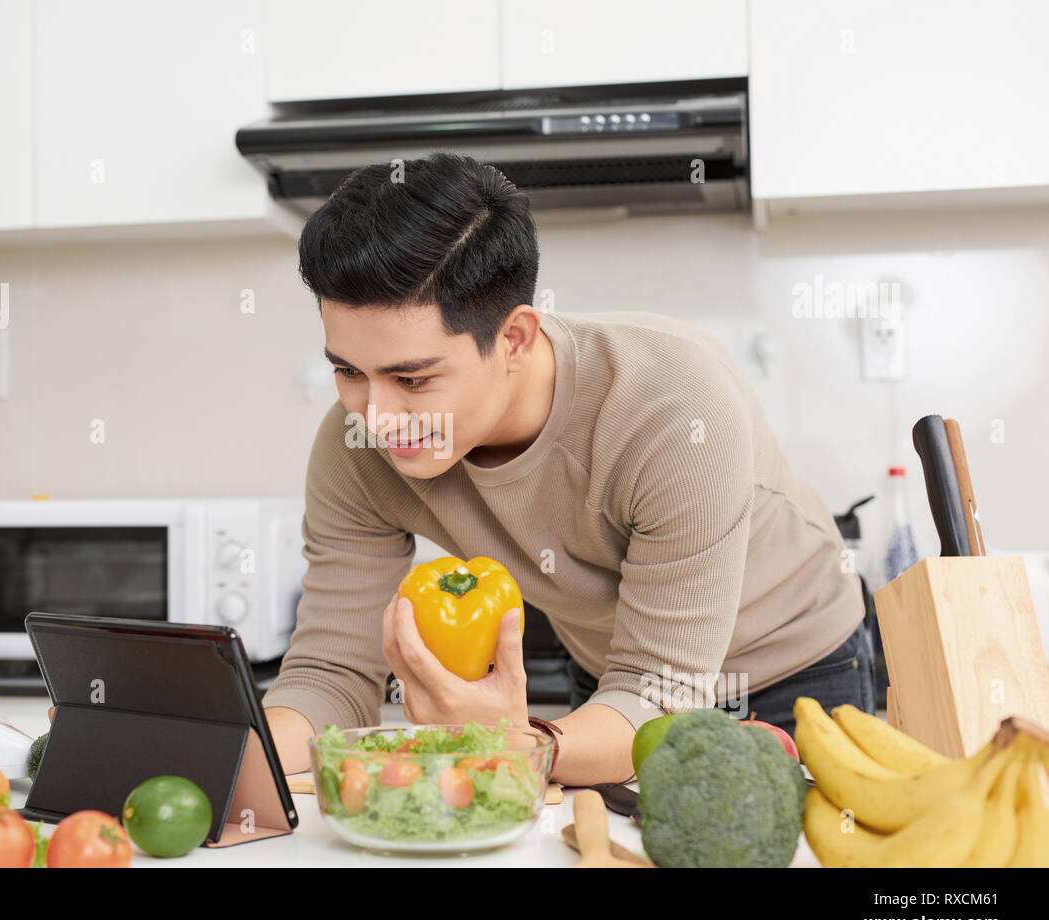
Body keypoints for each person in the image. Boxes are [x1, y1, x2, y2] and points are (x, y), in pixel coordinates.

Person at [262, 151, 871, 785]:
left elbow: (661, 695)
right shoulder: (355, 446)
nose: (377, 417)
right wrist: (238, 767)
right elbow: (330, 673)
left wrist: (514, 743)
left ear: (516, 339)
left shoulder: (678, 409)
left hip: (791, 671)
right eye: (348, 371)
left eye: (412, 378)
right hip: (617, 686)